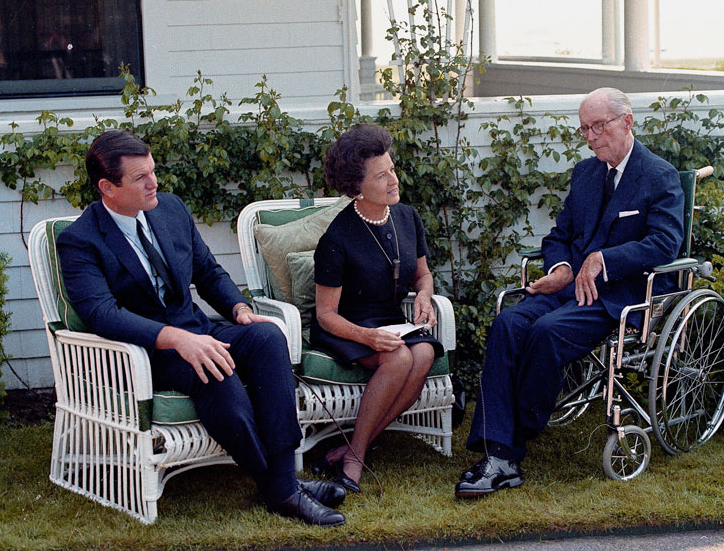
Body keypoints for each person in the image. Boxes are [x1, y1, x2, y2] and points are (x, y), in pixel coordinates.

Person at [56, 130, 347, 526]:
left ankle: (282, 482)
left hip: (196, 328)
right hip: (146, 350)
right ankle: (281, 488)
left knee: (266, 336)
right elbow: (103, 314)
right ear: (108, 187)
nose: (153, 183)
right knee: (216, 375)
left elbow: (207, 272)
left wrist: (240, 308)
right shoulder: (81, 241)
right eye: (140, 178)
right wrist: (177, 339)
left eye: (153, 171)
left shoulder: (169, 209)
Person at [455, 87, 685, 498]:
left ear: (627, 122)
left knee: (546, 332)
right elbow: (560, 235)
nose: (592, 136)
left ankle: (507, 449)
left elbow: (665, 244)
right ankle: (499, 447)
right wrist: (561, 267)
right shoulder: (585, 174)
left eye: (599, 126)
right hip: (570, 284)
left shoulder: (658, 175)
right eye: (585, 129)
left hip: (620, 294)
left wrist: (604, 259)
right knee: (508, 322)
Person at [311, 124, 443, 492]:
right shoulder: (336, 238)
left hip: (388, 324)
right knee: (401, 359)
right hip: (347, 327)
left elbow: (423, 274)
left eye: (392, 169)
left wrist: (424, 294)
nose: (393, 180)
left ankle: (352, 447)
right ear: (357, 187)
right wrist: (368, 337)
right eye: (381, 175)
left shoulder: (406, 217)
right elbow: (325, 315)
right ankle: (355, 458)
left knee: (423, 356)